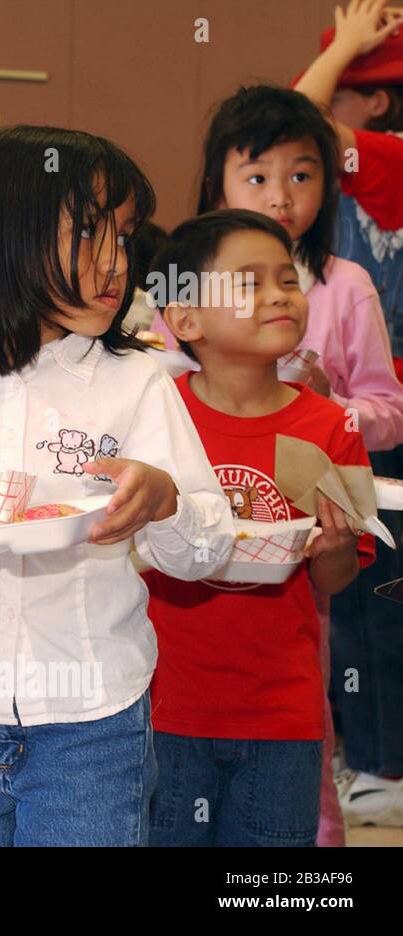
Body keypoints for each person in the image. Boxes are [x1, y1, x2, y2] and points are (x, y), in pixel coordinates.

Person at [0, 126, 236, 846]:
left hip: (92, 725)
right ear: (1, 236)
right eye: (89, 233)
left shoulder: (136, 382)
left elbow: (207, 550)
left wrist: (164, 499)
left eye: (124, 237)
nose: (113, 262)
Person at [145, 209, 374, 846]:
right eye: (248, 283)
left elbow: (338, 573)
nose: (278, 295)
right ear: (185, 319)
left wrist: (332, 545)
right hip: (166, 705)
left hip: (283, 714)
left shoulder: (330, 426)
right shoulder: (160, 414)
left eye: (287, 280)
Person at [293, 0, 403, 829]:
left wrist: (352, 46)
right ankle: (369, 754)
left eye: (348, 90)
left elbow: (290, 126)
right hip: (367, 410)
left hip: (368, 414)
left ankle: (374, 758)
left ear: (375, 104)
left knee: (366, 598)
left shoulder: (381, 159)